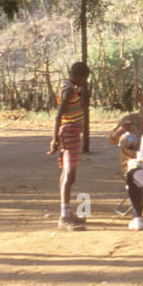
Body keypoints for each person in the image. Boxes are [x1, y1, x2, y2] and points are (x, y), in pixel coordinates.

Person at [48, 61, 90, 231]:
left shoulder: (70, 88)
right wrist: (54, 139)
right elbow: (58, 116)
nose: (85, 82)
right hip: (69, 133)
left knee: (68, 174)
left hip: (71, 133)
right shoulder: (69, 90)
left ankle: (66, 213)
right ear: (80, 77)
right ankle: (64, 218)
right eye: (85, 78)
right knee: (69, 175)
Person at [108, 93, 143, 173]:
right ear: (142, 106)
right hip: (130, 162)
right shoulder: (129, 119)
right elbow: (112, 140)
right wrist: (121, 130)